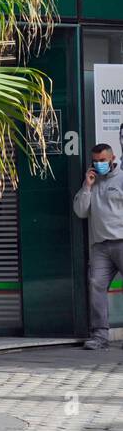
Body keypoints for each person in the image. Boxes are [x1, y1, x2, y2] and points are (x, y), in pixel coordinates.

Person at [74, 143, 123, 350]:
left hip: (121, 241)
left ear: (112, 159)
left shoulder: (121, 179)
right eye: (95, 161)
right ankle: (100, 336)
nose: (99, 164)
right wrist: (87, 186)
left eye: (103, 160)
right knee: (96, 287)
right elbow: (80, 211)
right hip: (100, 246)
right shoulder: (91, 182)